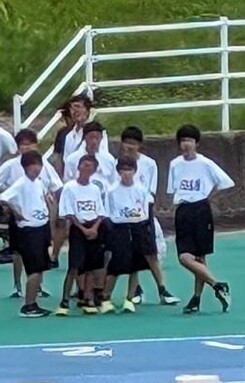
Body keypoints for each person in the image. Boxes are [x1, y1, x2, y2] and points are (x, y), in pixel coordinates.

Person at [167, 124, 234, 315]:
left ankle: (196, 298)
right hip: (183, 210)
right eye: (183, 141)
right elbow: (173, 190)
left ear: (196, 143)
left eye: (190, 141)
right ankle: (217, 285)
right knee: (185, 257)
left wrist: (208, 199)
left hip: (201, 209)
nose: (186, 145)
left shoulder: (205, 163)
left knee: (199, 257)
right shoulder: (175, 164)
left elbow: (225, 183)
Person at [120, 126, 177, 306]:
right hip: (124, 215)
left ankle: (162, 289)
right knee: (131, 254)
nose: (129, 147)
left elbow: (151, 192)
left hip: (144, 213)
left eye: (133, 144)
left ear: (140, 145)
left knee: (150, 252)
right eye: (127, 143)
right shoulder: (118, 163)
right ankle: (135, 290)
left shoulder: (149, 164)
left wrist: (143, 209)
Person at [0, 149, 57, 317]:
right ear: (25, 167)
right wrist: (16, 211)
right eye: (33, 166)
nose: (36, 169)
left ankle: (33, 302)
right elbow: (3, 197)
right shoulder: (21, 183)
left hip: (41, 226)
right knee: (34, 269)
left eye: (38, 165)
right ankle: (29, 304)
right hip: (29, 230)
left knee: (41, 268)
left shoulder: (38, 182)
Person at [57, 153, 107, 315]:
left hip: (94, 228)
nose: (87, 169)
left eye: (91, 166)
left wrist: (95, 228)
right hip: (78, 230)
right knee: (74, 266)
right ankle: (64, 301)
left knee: (91, 267)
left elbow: (100, 211)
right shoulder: (69, 188)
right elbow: (69, 213)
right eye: (85, 165)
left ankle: (88, 298)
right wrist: (83, 229)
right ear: (79, 167)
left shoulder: (95, 189)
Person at [101, 154, 152, 313]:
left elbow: (144, 210)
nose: (126, 173)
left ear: (135, 171)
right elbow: (107, 212)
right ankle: (105, 298)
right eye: (123, 170)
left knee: (135, 266)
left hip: (137, 228)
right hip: (119, 229)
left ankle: (129, 299)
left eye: (129, 169)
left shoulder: (141, 190)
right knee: (115, 266)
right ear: (118, 172)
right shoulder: (111, 191)